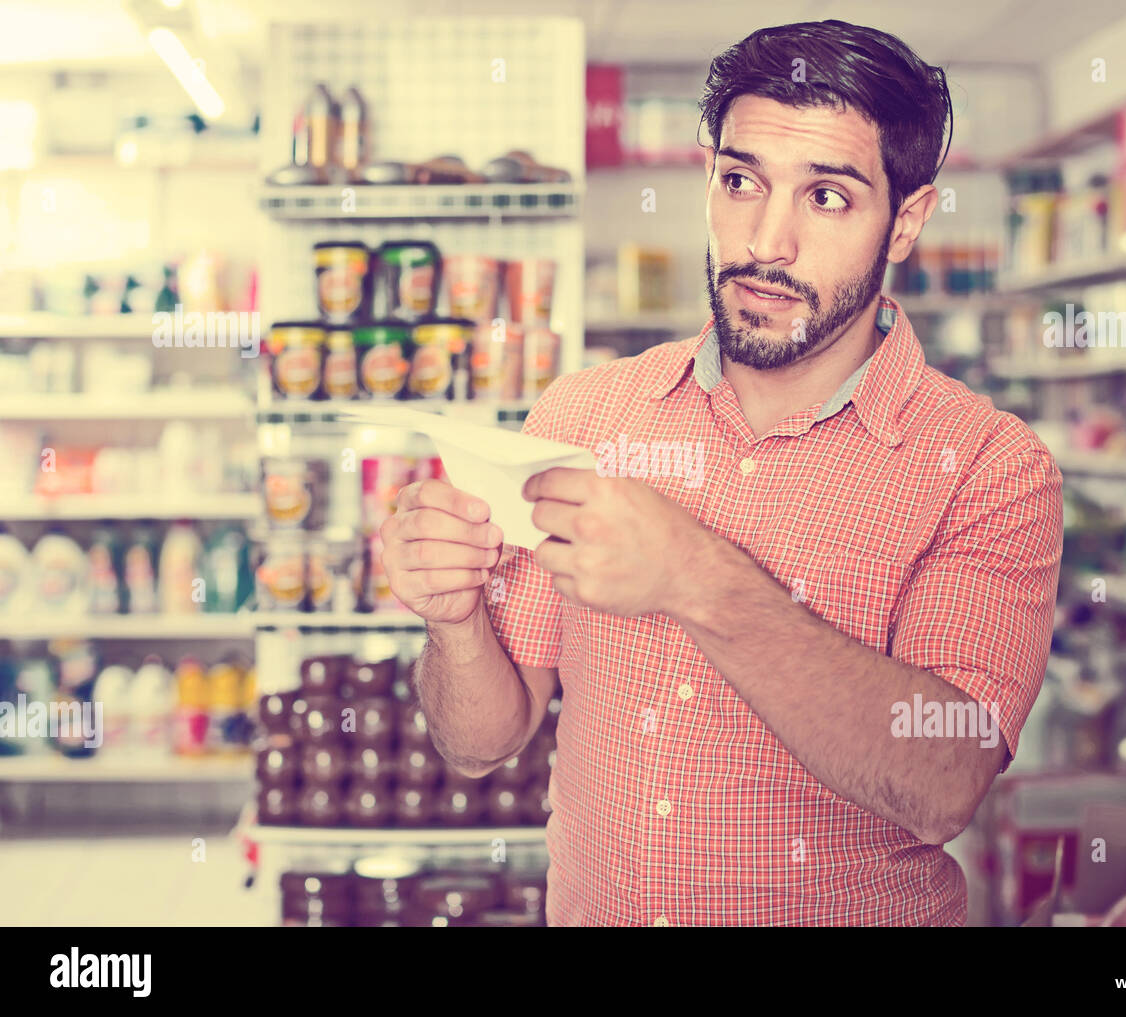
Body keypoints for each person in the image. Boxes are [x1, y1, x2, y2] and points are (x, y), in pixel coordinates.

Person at [380, 19, 1063, 926]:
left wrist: (696, 576)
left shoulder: (988, 467)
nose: (765, 242)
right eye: (741, 182)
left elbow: (945, 777)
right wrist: (454, 617)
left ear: (906, 220)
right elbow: (479, 742)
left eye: (826, 197)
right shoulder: (582, 415)